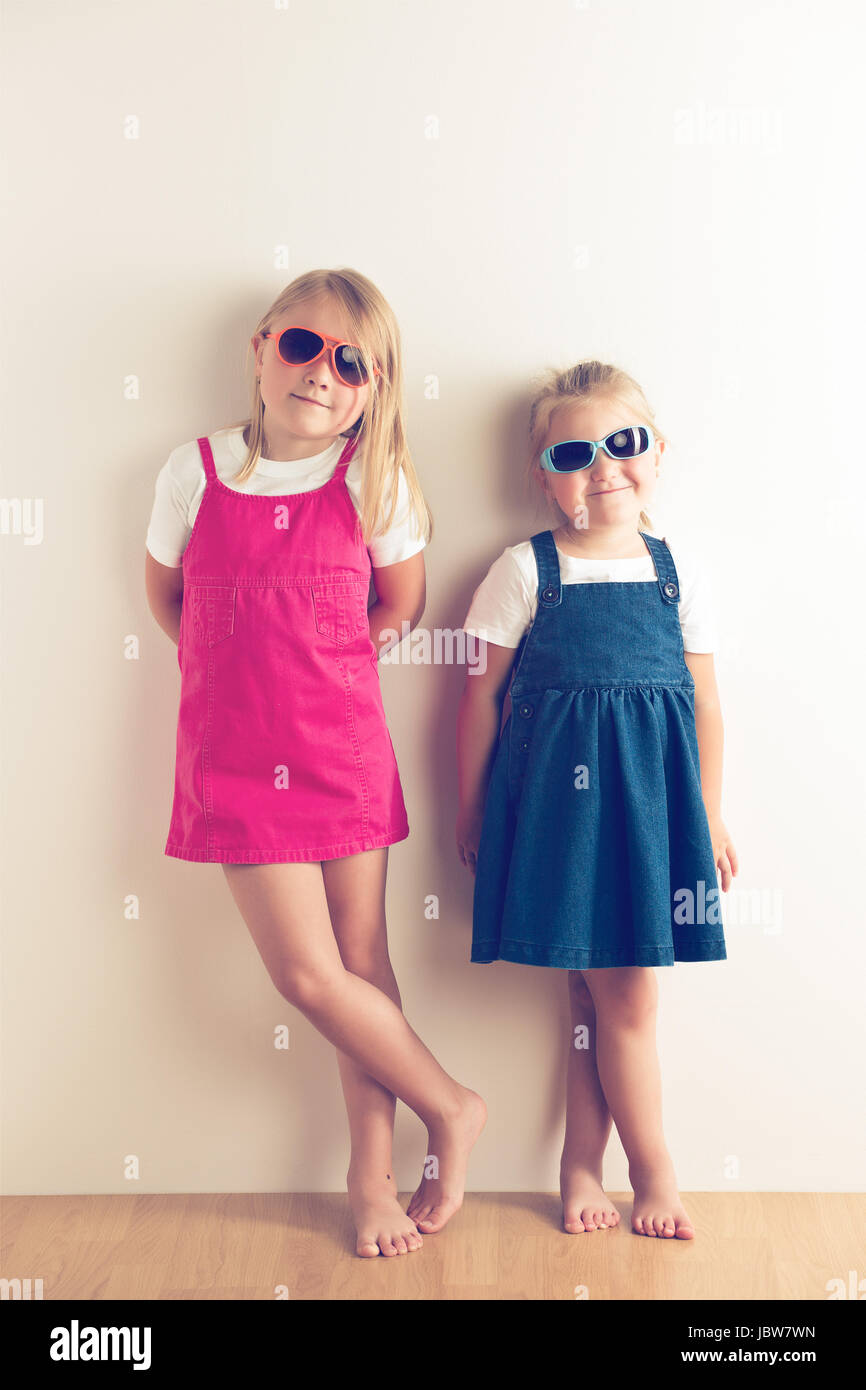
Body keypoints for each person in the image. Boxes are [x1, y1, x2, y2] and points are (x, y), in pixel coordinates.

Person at [145, 266, 486, 1258]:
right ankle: (452, 1104)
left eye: (351, 362)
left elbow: (401, 606)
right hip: (236, 760)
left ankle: (368, 1179)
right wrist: (236, 668)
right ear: (260, 348)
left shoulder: (370, 480)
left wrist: (319, 667)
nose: (321, 373)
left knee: (361, 966)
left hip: (339, 751)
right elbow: (167, 603)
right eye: (302, 345)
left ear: (372, 388)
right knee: (308, 973)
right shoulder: (194, 470)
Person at [456, 360, 737, 1239]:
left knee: (613, 1003)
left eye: (625, 444)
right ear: (544, 477)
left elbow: (706, 707)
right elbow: (477, 703)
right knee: (606, 1001)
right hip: (559, 818)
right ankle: (639, 1174)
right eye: (575, 453)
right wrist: (471, 809)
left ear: (657, 454)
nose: (604, 466)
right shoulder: (522, 570)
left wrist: (711, 811)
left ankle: (600, 1169)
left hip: (651, 822)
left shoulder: (675, 572)